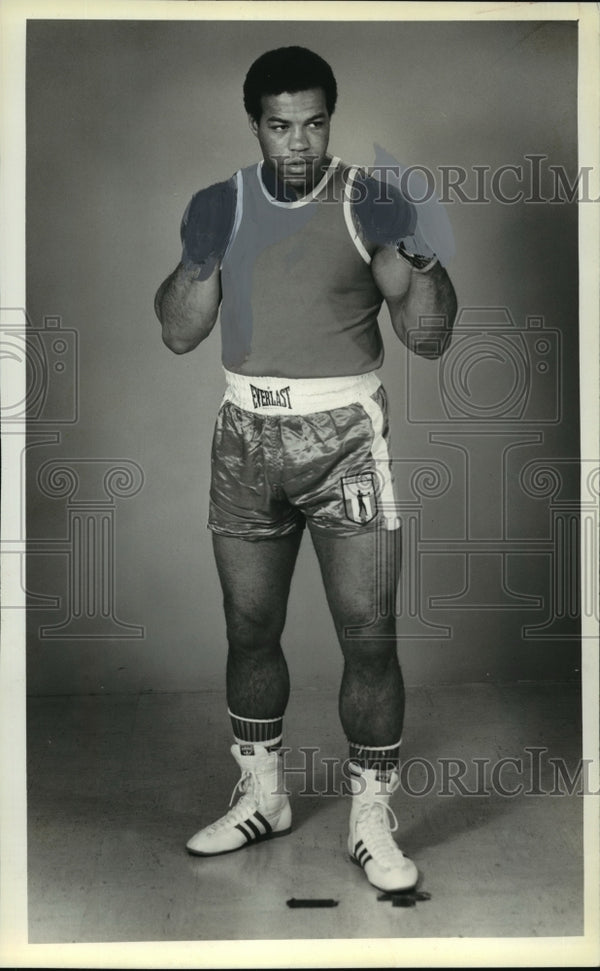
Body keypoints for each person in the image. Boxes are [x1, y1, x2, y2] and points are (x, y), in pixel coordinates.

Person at [154, 46, 457, 893]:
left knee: (369, 633)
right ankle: (263, 794)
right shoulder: (218, 203)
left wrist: (425, 260)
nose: (299, 144)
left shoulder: (369, 199)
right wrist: (198, 260)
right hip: (245, 434)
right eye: (281, 126)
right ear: (254, 123)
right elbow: (179, 332)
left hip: (344, 439)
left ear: (331, 120)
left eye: (314, 124)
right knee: (249, 627)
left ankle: (370, 815)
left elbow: (428, 337)